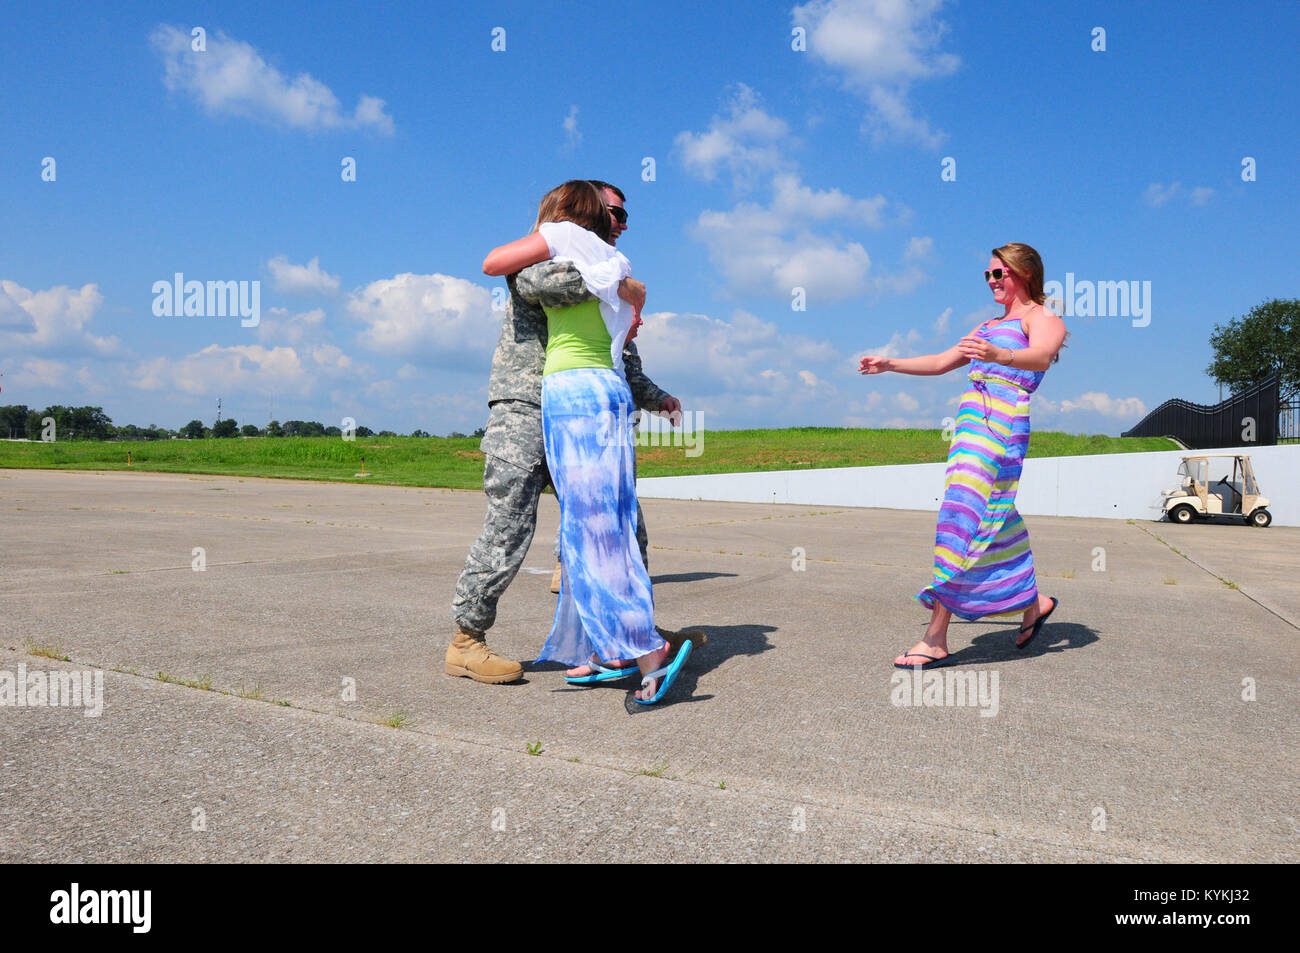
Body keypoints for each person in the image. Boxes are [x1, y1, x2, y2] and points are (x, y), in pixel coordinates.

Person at [446, 181, 681, 686]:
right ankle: (467, 640)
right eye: (609, 213)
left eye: (622, 216)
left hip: (585, 409)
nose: (618, 223)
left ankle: (623, 637)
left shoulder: (604, 268)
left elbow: (623, 359)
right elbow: (537, 282)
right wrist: (616, 280)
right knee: (509, 527)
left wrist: (656, 396)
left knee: (619, 526)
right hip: (526, 412)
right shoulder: (542, 259)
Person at [859, 242, 1066, 668]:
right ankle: (1032, 601)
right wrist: (890, 364)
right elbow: (940, 361)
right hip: (971, 422)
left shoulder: (1041, 317)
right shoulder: (987, 325)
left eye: (999, 273)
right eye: (988, 275)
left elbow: (1043, 356)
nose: (992, 281)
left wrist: (1000, 355)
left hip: (1003, 422)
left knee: (963, 514)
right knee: (994, 514)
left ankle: (936, 637)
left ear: (1023, 273)